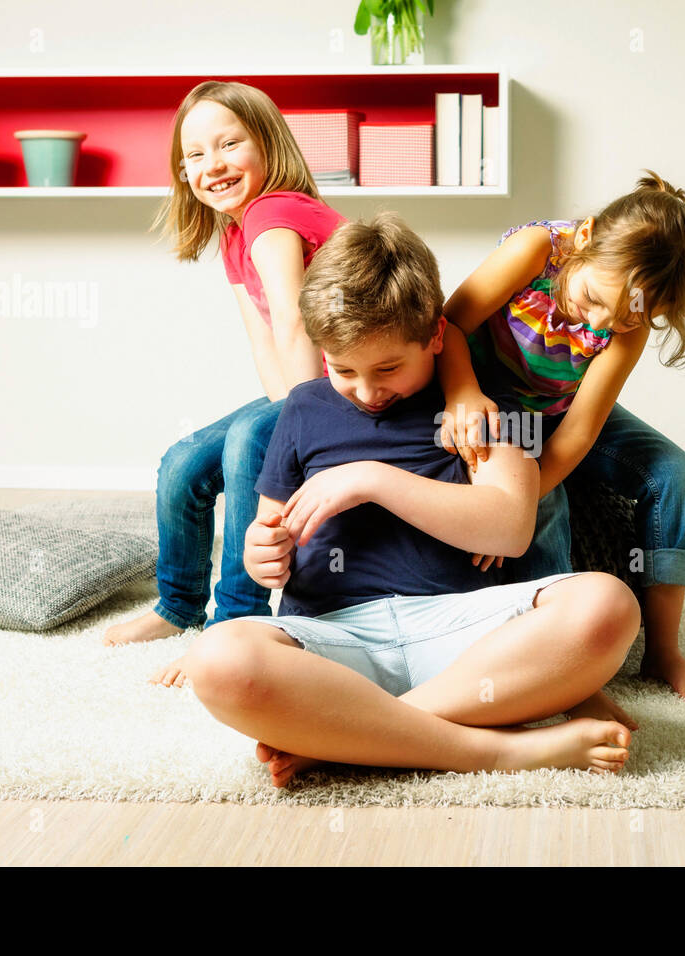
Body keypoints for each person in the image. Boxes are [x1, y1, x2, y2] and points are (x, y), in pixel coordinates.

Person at [151, 213, 639, 786]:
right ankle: (497, 750)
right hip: (335, 641)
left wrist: (370, 479)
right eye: (343, 369)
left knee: (607, 605)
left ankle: (355, 738)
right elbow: (269, 541)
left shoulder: (480, 404)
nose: (366, 389)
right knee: (219, 658)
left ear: (436, 335)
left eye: (388, 368)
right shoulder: (304, 409)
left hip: (464, 642)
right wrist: (265, 553)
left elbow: (508, 527)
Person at [434, 171, 685, 700]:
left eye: (625, 318)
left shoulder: (623, 331)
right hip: (494, 397)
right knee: (549, 503)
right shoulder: (537, 248)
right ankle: (561, 657)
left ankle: (663, 648)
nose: (601, 321)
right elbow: (450, 323)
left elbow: (580, 433)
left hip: (564, 413)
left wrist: (523, 494)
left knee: (673, 471)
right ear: (583, 239)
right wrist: (463, 394)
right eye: (592, 298)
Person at [104, 81, 345, 646]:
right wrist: (284, 411)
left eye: (229, 144)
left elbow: (292, 320)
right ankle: (177, 604)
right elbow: (261, 338)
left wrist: (302, 429)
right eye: (194, 155)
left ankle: (236, 619)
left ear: (268, 145)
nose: (212, 164)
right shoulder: (236, 231)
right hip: (312, 385)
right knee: (185, 462)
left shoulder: (274, 211)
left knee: (247, 445)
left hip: (351, 389)